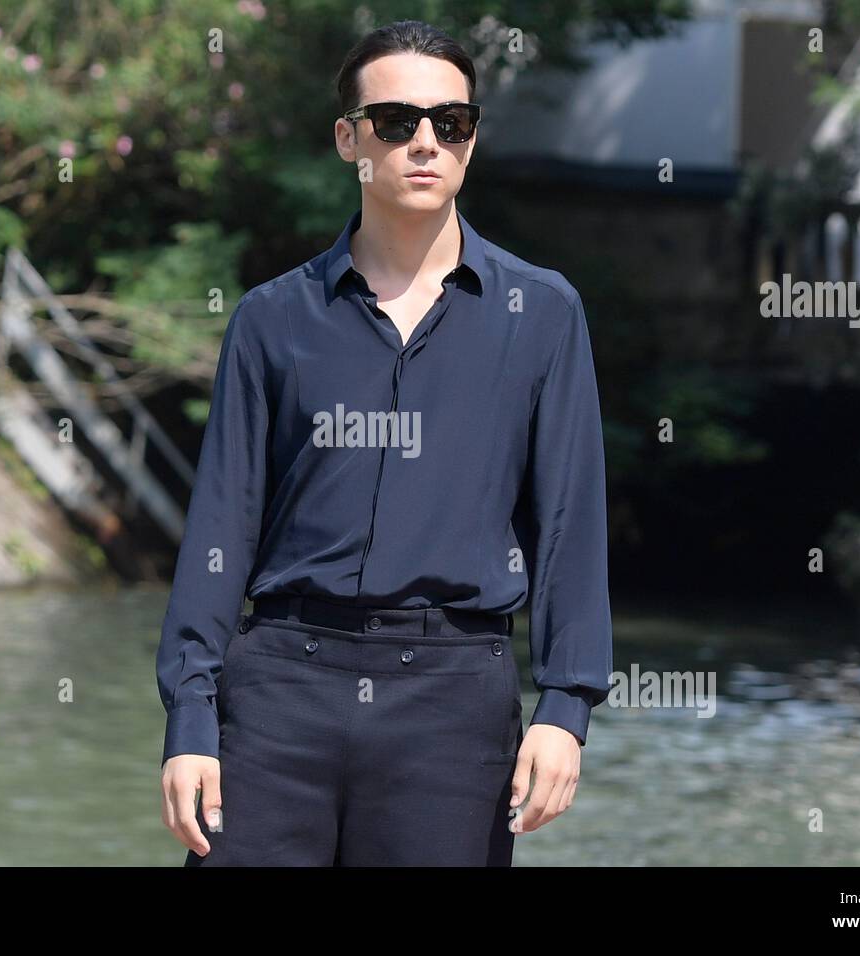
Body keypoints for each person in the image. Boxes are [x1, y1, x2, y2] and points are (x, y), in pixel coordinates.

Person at [157, 19, 612, 866]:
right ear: (349, 139)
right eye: (396, 122)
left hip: (452, 707)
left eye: (453, 122)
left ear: (473, 137)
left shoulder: (543, 315)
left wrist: (564, 705)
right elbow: (220, 530)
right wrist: (189, 717)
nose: (426, 143)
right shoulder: (272, 318)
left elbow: (569, 524)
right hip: (276, 695)